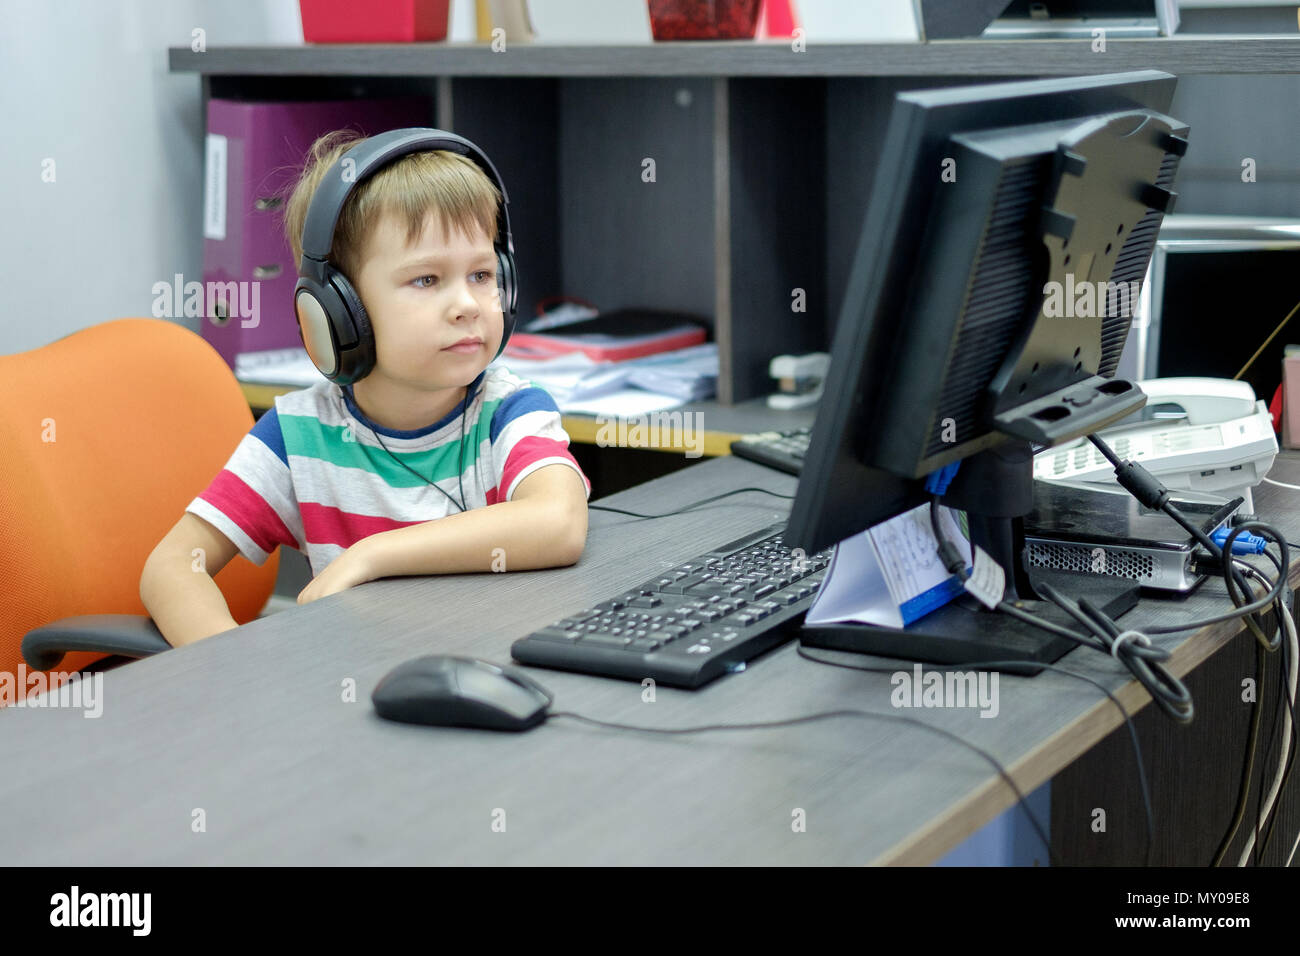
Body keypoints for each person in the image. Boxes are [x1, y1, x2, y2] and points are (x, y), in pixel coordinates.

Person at [140, 130, 589, 647]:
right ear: (336, 311)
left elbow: (558, 521)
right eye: (426, 280)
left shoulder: (509, 409)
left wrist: (372, 555)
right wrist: (227, 664)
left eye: (483, 274)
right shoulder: (298, 436)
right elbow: (172, 566)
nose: (468, 304)